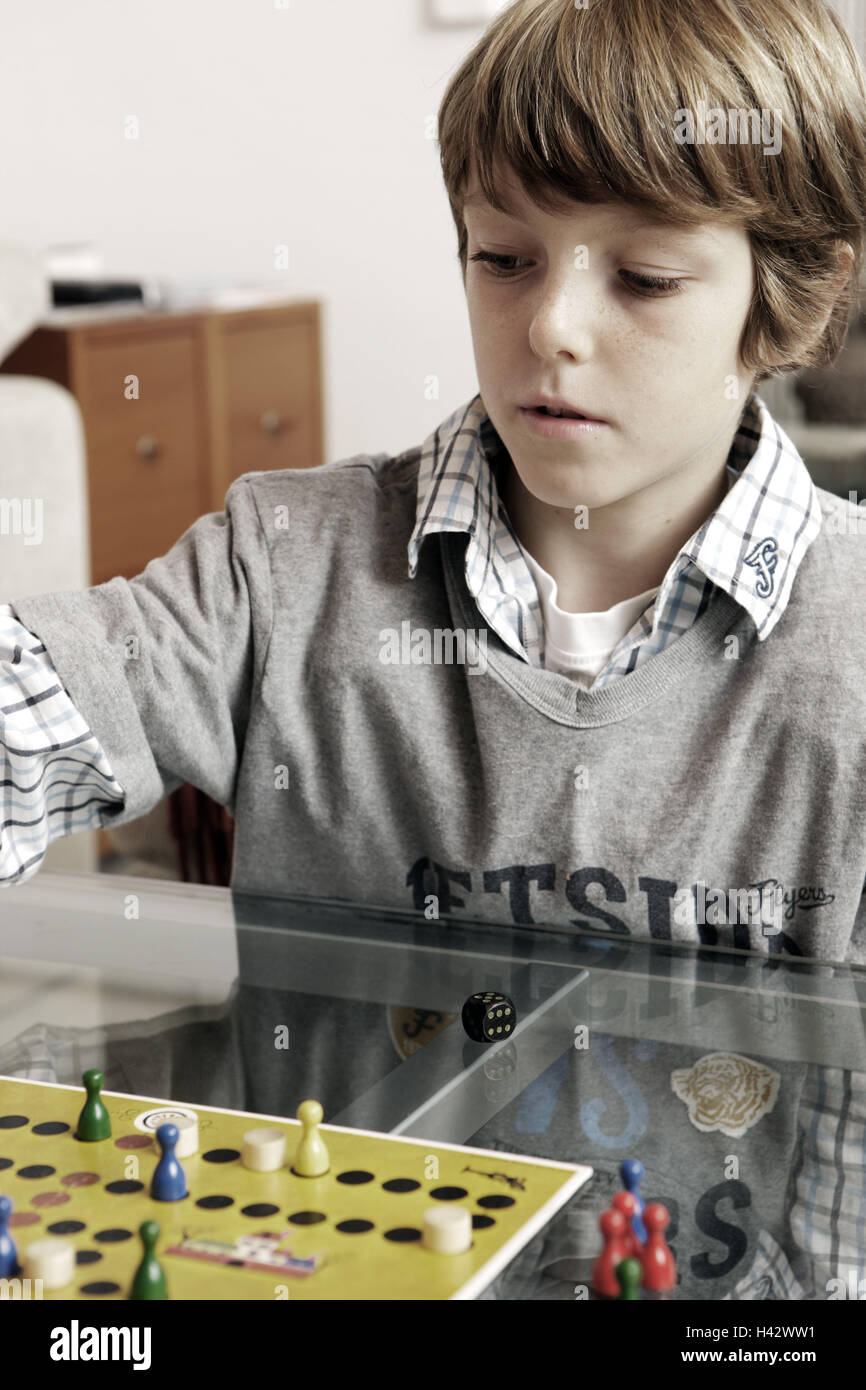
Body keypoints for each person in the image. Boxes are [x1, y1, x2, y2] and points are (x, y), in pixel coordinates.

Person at [2, 0, 866, 968]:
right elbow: (35, 705)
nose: (550, 327)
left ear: (801, 295)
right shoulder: (285, 563)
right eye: (503, 259)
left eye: (645, 276)